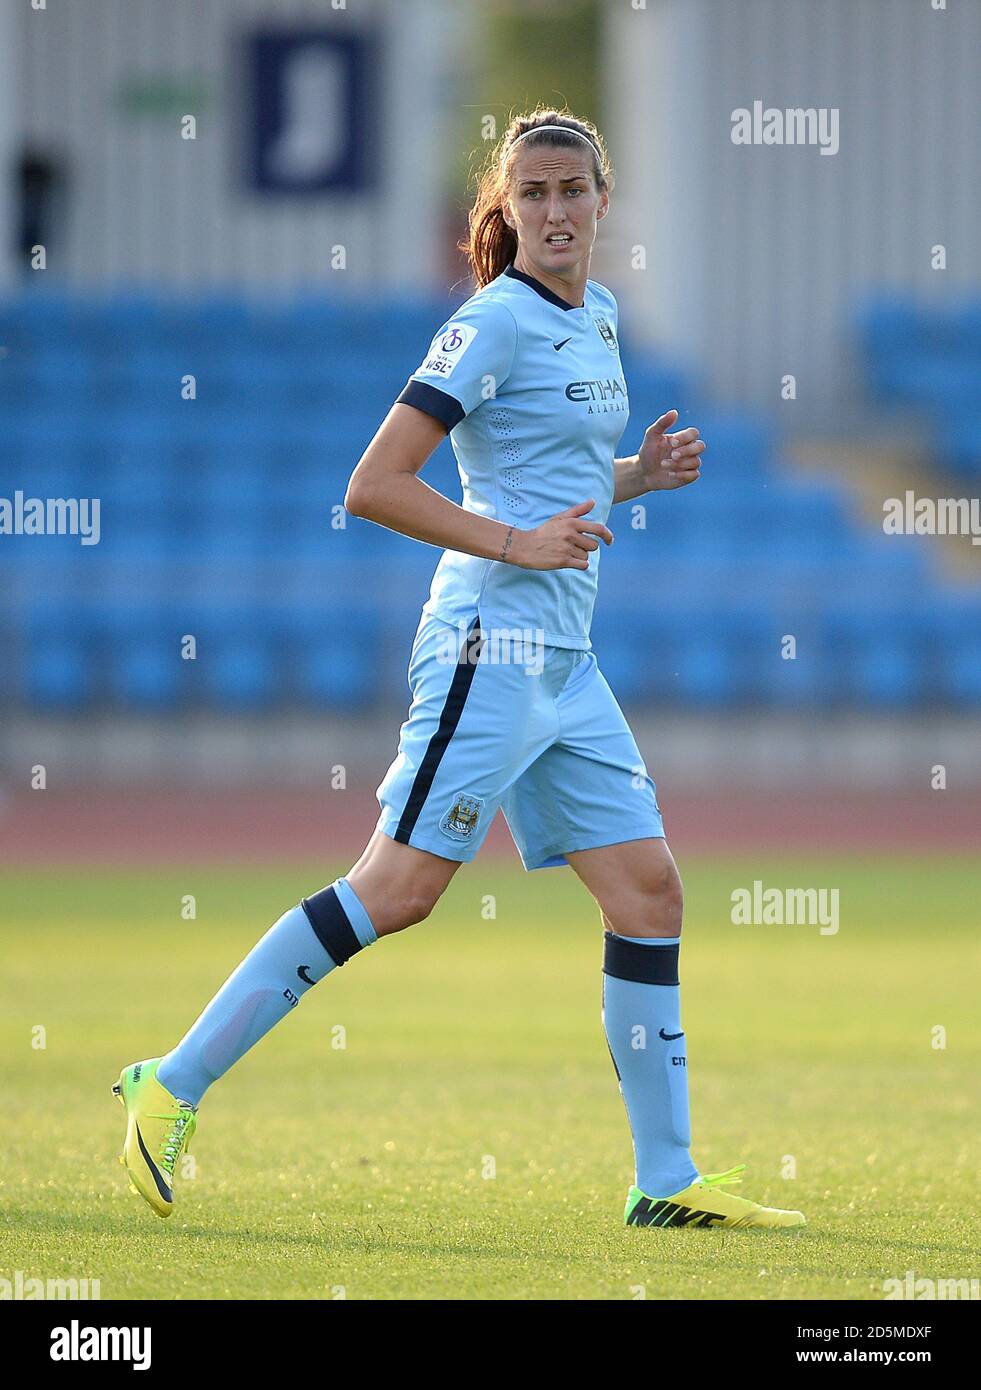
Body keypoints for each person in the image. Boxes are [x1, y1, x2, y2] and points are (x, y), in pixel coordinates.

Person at [113, 107, 804, 1232]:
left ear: (602, 200)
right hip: (490, 644)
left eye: (572, 189)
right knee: (397, 891)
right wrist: (514, 544)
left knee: (649, 891)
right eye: (532, 193)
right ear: (507, 209)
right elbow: (373, 484)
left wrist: (640, 475)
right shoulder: (491, 324)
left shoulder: (602, 316)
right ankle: (167, 1085)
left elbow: (551, 481)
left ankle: (666, 1181)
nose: (555, 210)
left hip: (567, 662)